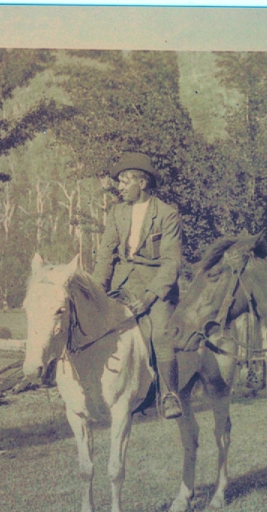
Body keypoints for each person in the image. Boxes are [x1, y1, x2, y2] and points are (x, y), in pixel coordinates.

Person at [93, 152, 184, 419]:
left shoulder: (167, 214)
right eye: (119, 182)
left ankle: (169, 394)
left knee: (159, 334)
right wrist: (98, 290)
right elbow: (105, 254)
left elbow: (171, 264)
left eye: (124, 181)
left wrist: (149, 297)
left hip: (155, 288)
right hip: (121, 284)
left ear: (142, 183)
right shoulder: (117, 212)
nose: (119, 187)